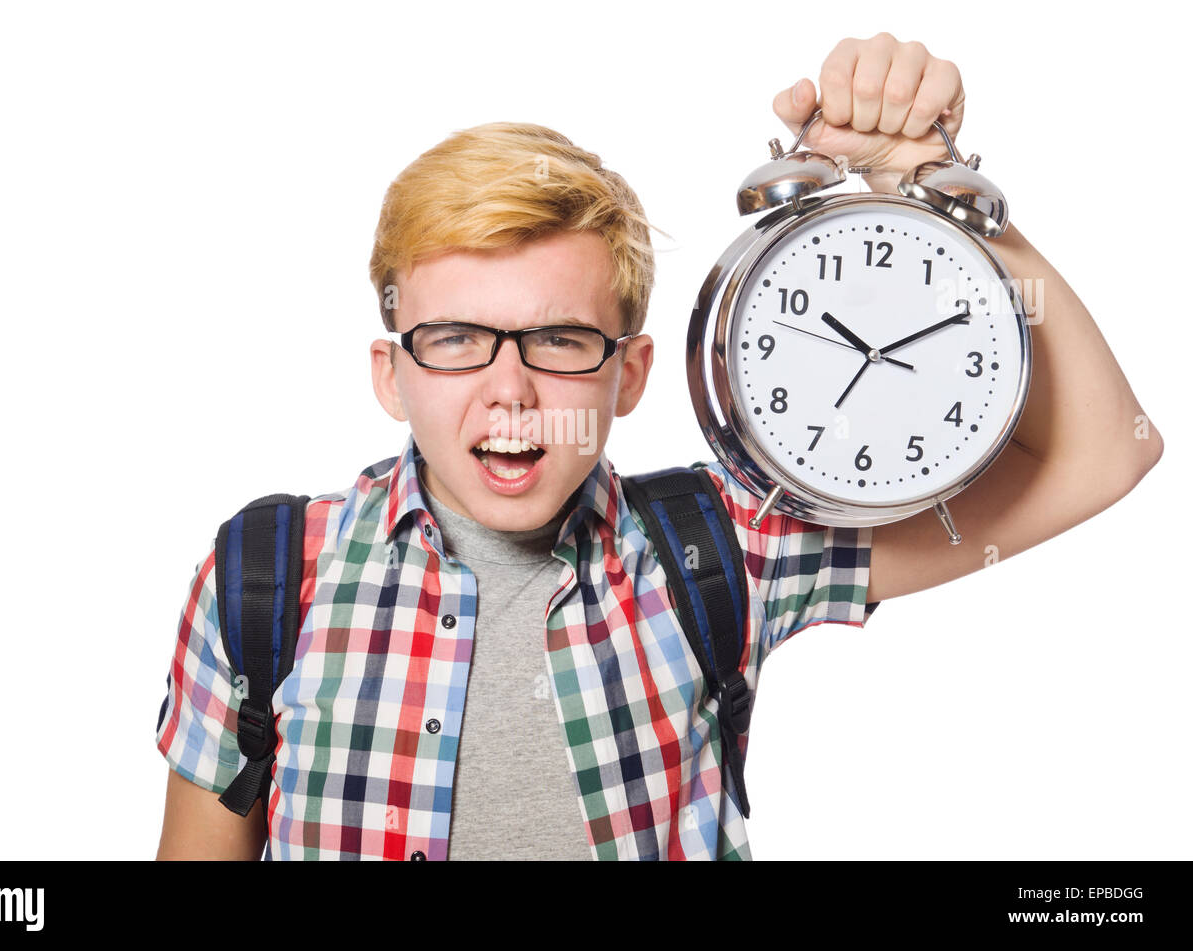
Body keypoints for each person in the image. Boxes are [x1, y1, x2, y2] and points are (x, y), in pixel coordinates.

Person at [154, 33, 1162, 860]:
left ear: (629, 374)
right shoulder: (265, 577)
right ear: (392, 372)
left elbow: (1105, 454)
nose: (511, 392)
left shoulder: (727, 550)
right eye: (457, 341)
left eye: (560, 340)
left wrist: (927, 187)